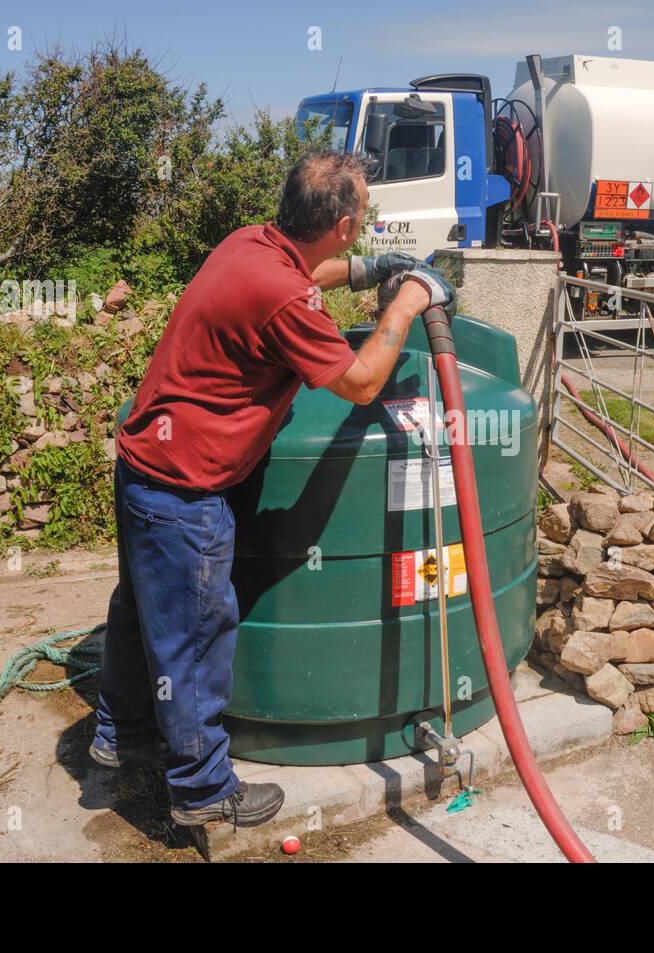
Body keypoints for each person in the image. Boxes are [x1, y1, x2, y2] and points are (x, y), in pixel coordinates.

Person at [90, 149, 456, 827]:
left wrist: (372, 270)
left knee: (142, 612)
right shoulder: (286, 297)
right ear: (345, 222)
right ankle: (202, 789)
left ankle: (120, 735)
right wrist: (407, 303)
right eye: (364, 215)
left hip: (145, 463)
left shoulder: (250, 245)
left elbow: (311, 268)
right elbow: (362, 381)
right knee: (196, 634)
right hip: (186, 491)